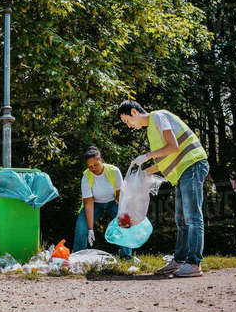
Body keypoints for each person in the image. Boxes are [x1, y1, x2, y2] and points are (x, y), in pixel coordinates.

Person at [118, 100, 209, 277]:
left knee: (192, 217)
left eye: (127, 121)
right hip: (183, 171)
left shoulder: (158, 117)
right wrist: (142, 173)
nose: (128, 126)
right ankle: (180, 260)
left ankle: (194, 263)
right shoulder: (152, 130)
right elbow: (165, 159)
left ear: (134, 112)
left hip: (193, 164)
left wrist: (147, 156)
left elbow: (173, 147)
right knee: (180, 220)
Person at [73, 146, 134, 260]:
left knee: (125, 222)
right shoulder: (86, 177)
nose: (93, 168)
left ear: (101, 160)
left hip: (113, 202)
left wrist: (124, 213)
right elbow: (88, 203)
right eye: (90, 166)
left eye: (95, 165)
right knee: (81, 227)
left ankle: (126, 256)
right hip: (95, 204)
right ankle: (78, 258)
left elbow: (120, 194)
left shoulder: (114, 171)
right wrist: (90, 229)